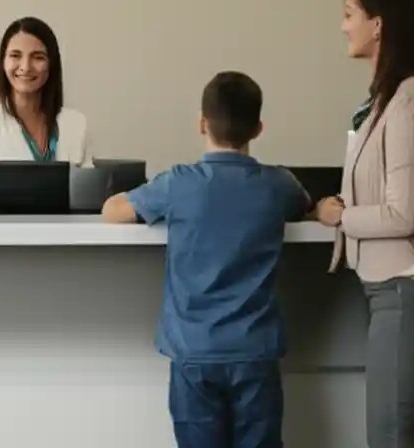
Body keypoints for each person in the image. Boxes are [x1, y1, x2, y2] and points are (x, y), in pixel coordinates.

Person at [101, 71, 309, 448]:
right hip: (254, 351)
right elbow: (305, 207)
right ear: (258, 128)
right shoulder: (278, 184)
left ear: (202, 123)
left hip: (193, 351)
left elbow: (113, 211)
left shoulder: (178, 183)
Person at [313, 0, 414, 447]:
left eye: (349, 14)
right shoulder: (391, 99)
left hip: (410, 288)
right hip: (406, 290)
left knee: (389, 435)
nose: (343, 26)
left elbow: (404, 213)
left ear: (378, 24)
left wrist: (340, 216)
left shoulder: (409, 101)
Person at [0, 16, 91, 164]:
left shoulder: (76, 124)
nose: (25, 67)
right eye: (15, 55)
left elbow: (88, 179)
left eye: (38, 57)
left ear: (52, 64)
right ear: (3, 62)